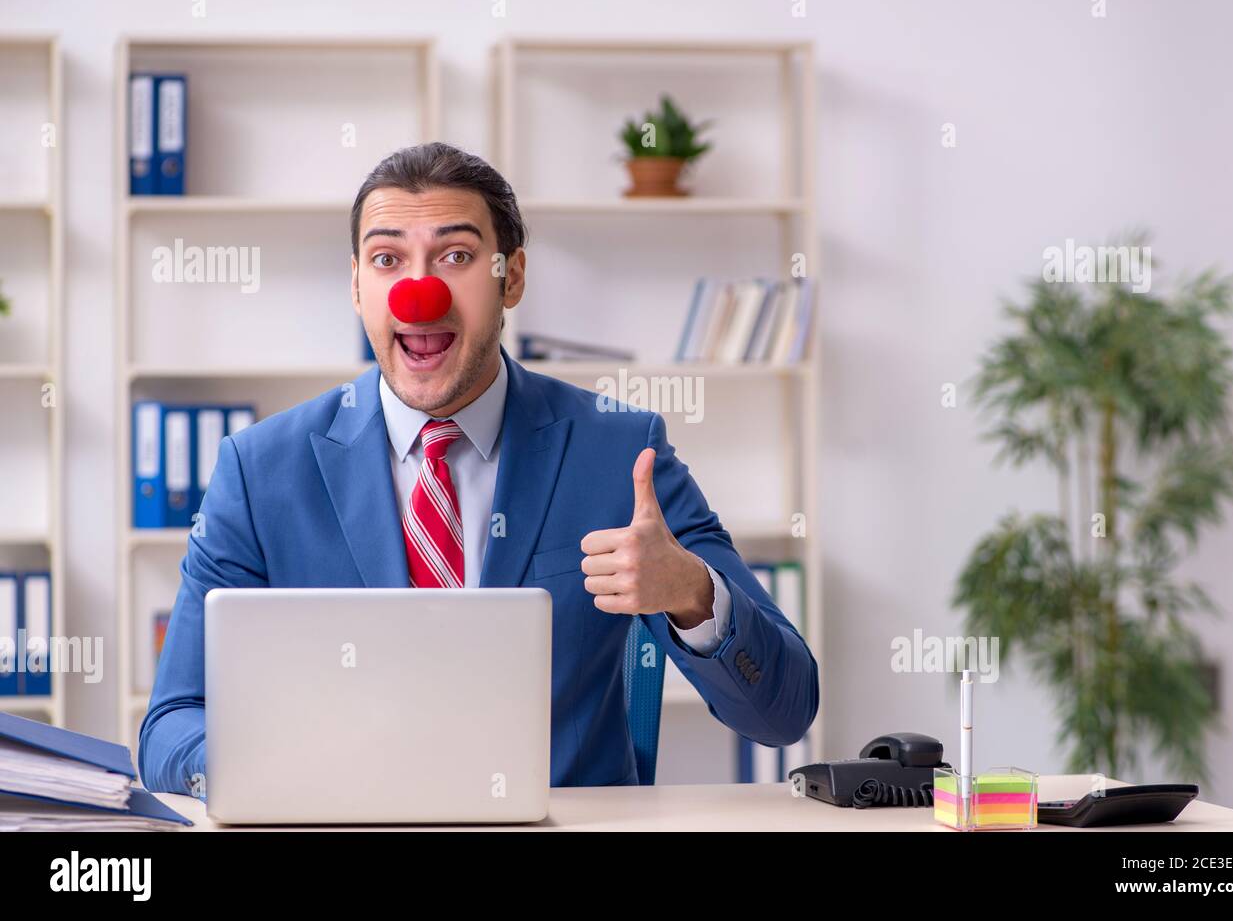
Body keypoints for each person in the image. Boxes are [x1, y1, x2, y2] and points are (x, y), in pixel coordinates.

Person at [139, 142, 819, 793]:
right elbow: (170, 726)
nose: (418, 292)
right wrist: (274, 773)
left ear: (510, 275)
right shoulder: (260, 473)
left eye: (456, 254)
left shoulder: (619, 451)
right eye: (386, 259)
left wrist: (694, 593)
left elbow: (784, 710)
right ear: (356, 286)